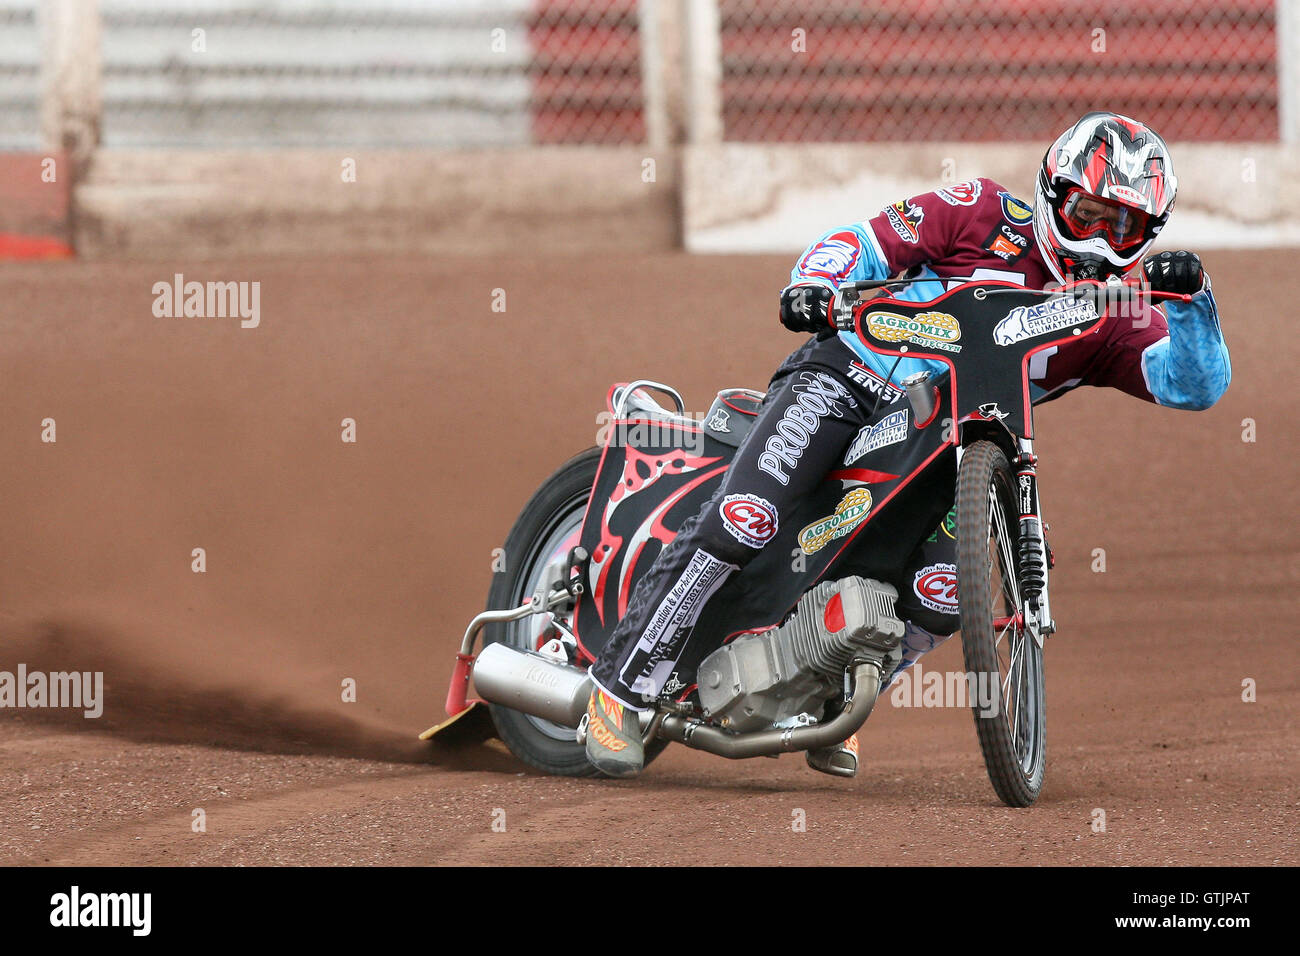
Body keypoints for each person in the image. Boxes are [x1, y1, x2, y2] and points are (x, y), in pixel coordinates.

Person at [583, 111, 1231, 778]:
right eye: (1088, 213)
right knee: (747, 515)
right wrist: (813, 285)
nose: (1100, 239)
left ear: (1148, 234)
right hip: (850, 377)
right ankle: (618, 688)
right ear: (1051, 191)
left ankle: (825, 692)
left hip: (959, 440)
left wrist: (1193, 303)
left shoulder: (1112, 315)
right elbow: (861, 241)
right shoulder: (979, 210)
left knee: (944, 592)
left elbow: (1193, 386)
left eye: (1122, 227)